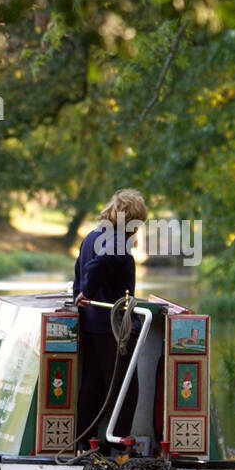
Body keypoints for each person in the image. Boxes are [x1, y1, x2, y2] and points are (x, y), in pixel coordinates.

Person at [73, 188, 146, 442]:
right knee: (125, 389)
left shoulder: (91, 237)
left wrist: (79, 297)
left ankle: (85, 442)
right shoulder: (116, 240)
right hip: (112, 328)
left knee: (92, 386)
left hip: (92, 324)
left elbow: (80, 270)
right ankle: (120, 446)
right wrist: (87, 291)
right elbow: (98, 265)